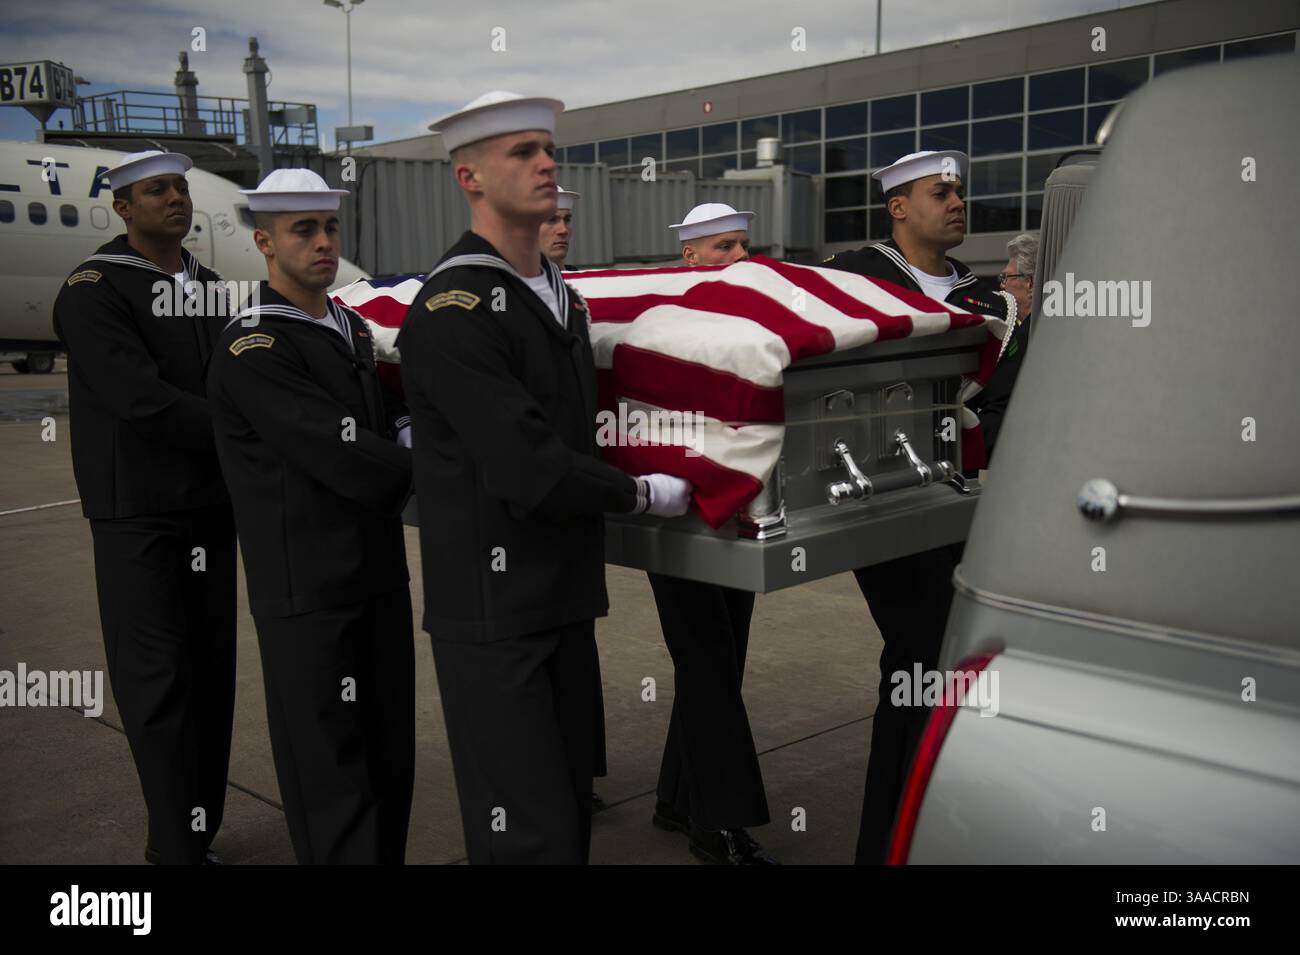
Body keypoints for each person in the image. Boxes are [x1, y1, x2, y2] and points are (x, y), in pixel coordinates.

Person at [398, 90, 692, 864]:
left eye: (547, 149)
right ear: (469, 176)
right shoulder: (454, 307)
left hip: (559, 592)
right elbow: (527, 463)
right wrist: (638, 491)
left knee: (563, 820)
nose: (545, 164)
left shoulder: (555, 298)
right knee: (525, 833)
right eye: (521, 152)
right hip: (494, 611)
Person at [206, 169, 415, 864]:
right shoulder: (253, 344)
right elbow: (339, 449)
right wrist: (445, 468)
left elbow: (382, 418)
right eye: (304, 230)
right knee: (330, 770)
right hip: (309, 590)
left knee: (390, 757)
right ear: (265, 241)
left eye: (329, 227)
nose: (324, 242)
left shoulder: (348, 324)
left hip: (377, 575)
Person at [822, 150, 1014, 864]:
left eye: (961, 190)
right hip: (886, 503)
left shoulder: (989, 297)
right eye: (942, 192)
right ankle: (894, 839)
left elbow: (1003, 403)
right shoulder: (852, 279)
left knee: (937, 664)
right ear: (899, 206)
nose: (958, 201)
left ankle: (916, 832)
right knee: (924, 653)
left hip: (965, 503)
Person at [53, 150, 236, 865]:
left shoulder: (212, 287)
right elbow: (138, 398)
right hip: (139, 514)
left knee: (211, 674)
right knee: (157, 681)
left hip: (211, 509)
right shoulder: (95, 290)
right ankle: (176, 848)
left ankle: (201, 832)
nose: (175, 199)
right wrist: (243, 427)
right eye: (155, 190)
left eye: (181, 188)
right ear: (121, 207)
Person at [647, 202, 777, 865]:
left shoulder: (749, 317)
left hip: (735, 511)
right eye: (724, 247)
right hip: (680, 515)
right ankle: (717, 823)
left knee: (719, 661)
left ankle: (678, 798)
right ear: (690, 255)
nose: (739, 258)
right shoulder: (668, 321)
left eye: (744, 245)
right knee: (707, 661)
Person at [968, 231, 1039, 460]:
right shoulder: (1024, 328)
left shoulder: (1035, 336)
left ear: (1030, 283)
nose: (1002, 285)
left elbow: (1002, 405)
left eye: (1007, 277)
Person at [539, 185, 578, 267]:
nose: (564, 230)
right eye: (551, 220)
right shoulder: (509, 278)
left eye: (567, 220)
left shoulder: (584, 279)